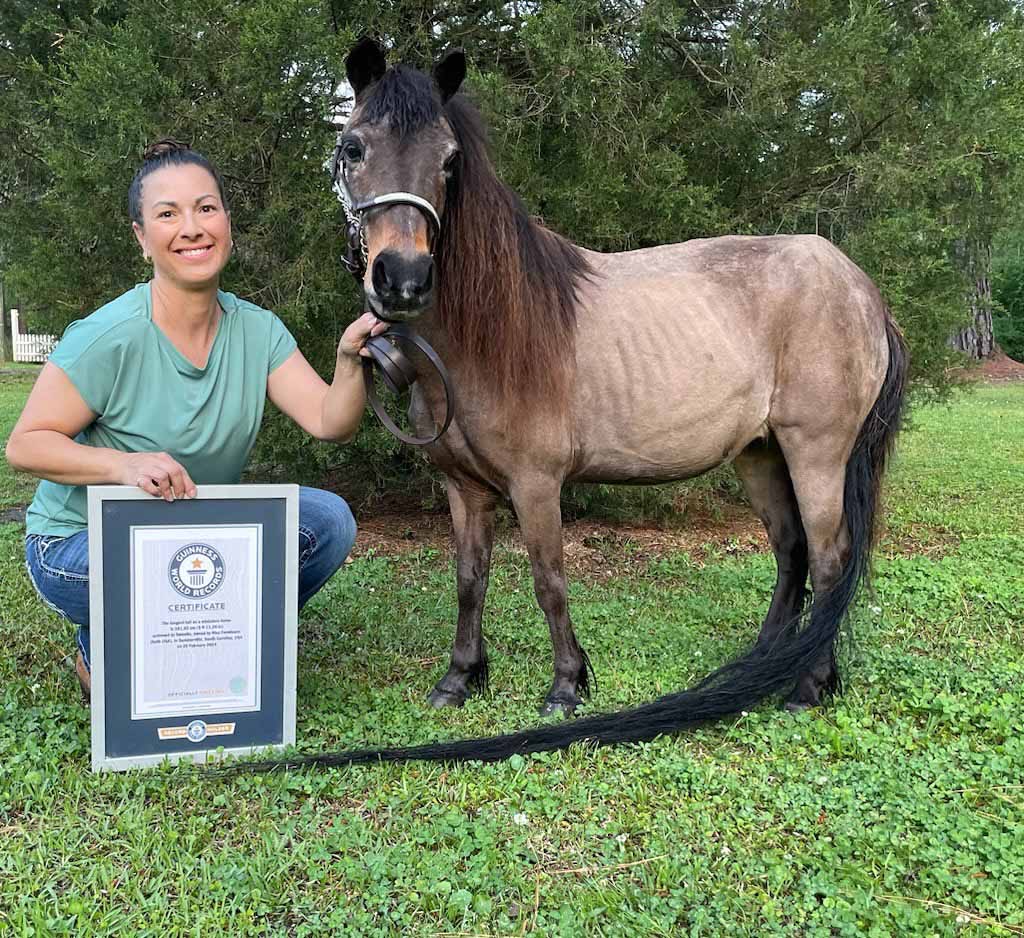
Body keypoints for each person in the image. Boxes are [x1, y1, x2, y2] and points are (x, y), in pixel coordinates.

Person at [5, 138, 387, 700]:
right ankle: (110, 647)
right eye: (168, 214)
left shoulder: (257, 332)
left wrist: (348, 360)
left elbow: (331, 421)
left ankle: (215, 639)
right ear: (142, 239)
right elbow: (25, 445)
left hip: (188, 528)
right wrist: (125, 466)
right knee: (164, 585)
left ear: (227, 222)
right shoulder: (108, 336)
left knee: (327, 521)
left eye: (207, 208)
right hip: (76, 545)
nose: (192, 227)